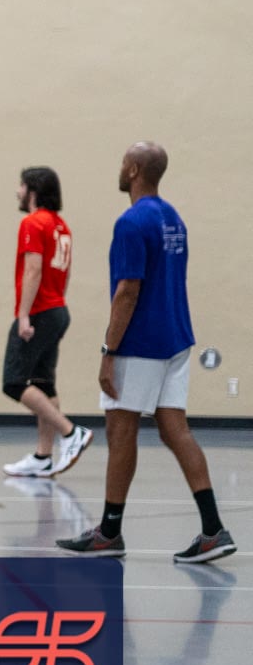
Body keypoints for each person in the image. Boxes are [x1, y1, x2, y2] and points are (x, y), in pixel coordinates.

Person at [59, 142, 235, 563]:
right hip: (176, 338)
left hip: (140, 345)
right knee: (176, 429)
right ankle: (213, 529)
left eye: (123, 163)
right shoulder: (173, 218)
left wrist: (108, 350)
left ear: (134, 170)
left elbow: (128, 291)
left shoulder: (131, 223)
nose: (120, 169)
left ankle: (109, 532)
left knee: (121, 432)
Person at [0, 166, 91, 478]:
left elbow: (33, 269)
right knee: (42, 382)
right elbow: (64, 271)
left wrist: (24, 315)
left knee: (14, 382)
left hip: (39, 312)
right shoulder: (61, 226)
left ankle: (70, 433)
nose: (17, 192)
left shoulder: (32, 223)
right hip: (57, 309)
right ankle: (43, 456)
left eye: (21, 186)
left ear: (33, 192)